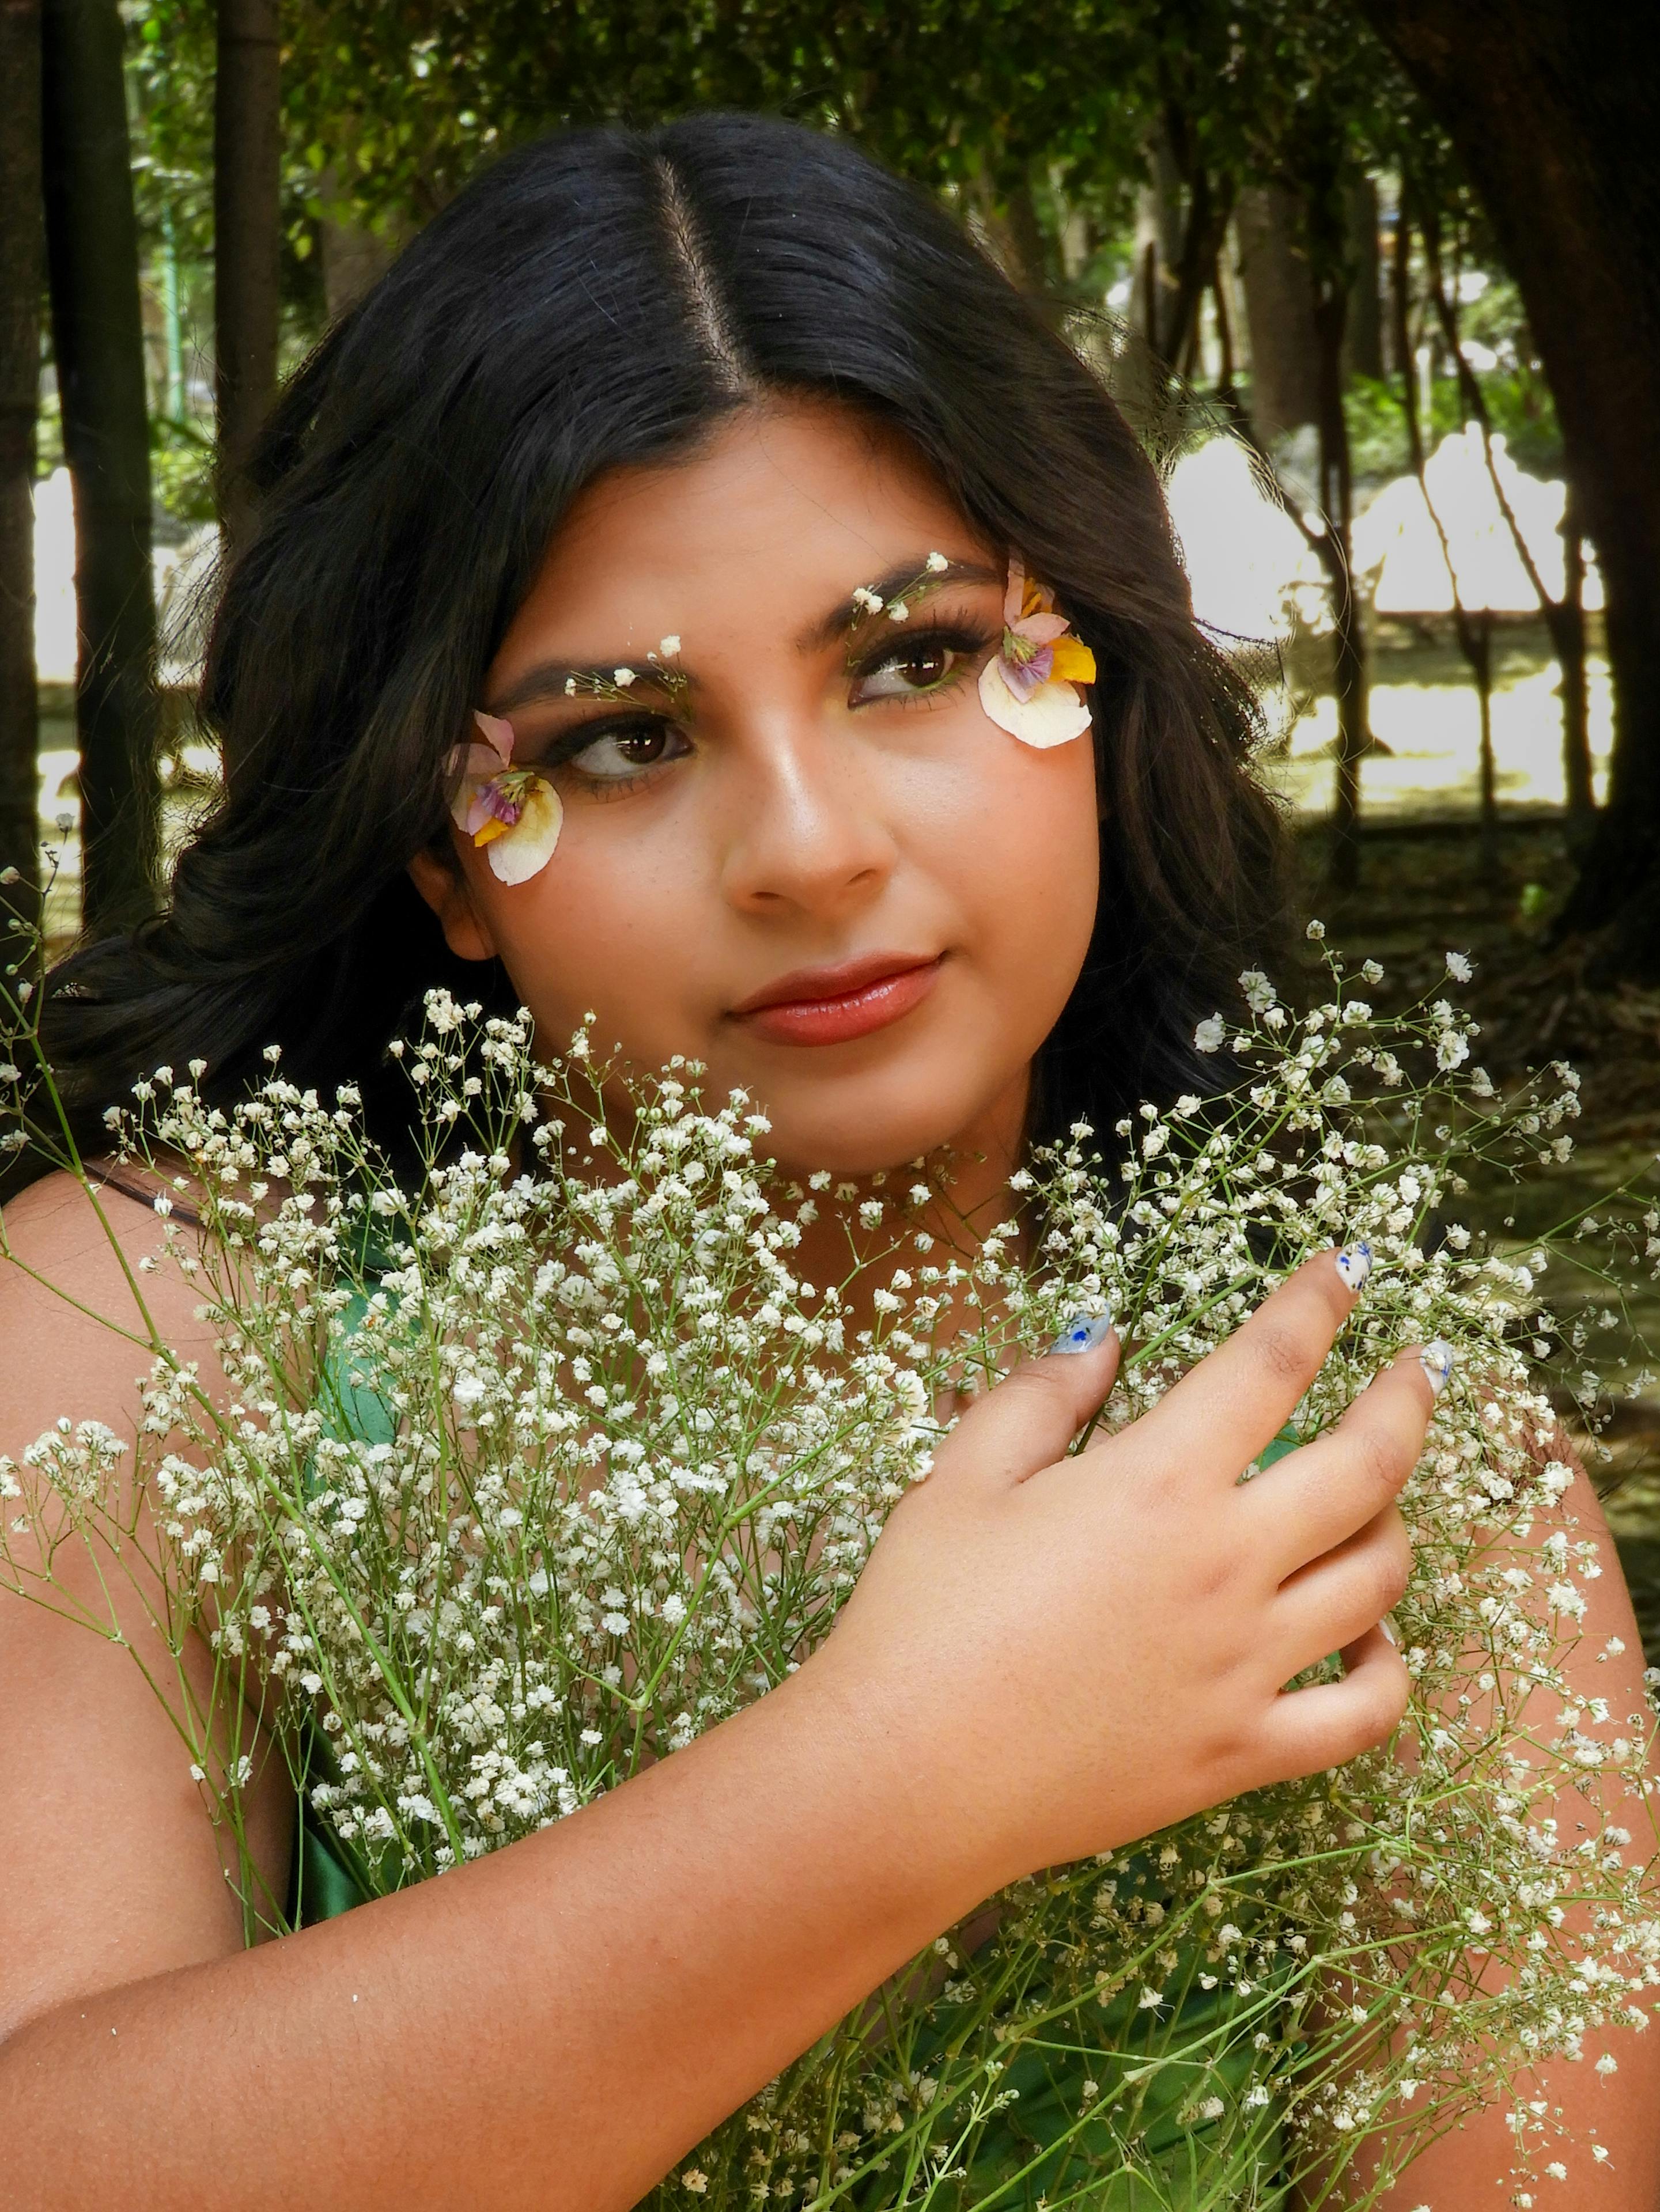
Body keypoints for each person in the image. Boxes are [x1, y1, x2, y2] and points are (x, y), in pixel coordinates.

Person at [0, 113, 1651, 2210]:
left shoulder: (1380, 1466)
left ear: (1097, 665)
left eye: (916, 661)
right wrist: (902, 1779)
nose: (809, 850)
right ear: (438, 853)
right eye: (619, 737)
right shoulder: (155, 1336)